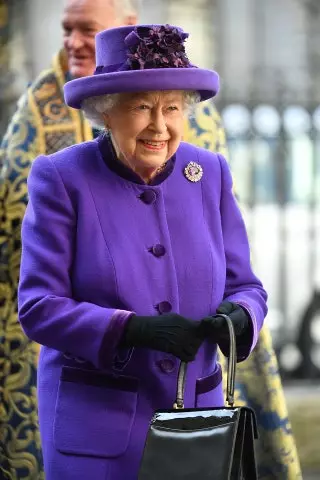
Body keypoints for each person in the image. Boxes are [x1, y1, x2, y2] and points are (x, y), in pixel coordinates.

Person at [0, 2, 302, 479]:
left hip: (194, 422)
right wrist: (130, 329)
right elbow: (39, 307)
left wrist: (243, 315)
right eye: (142, 107)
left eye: (173, 108)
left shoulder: (210, 173)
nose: (160, 126)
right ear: (106, 113)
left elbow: (246, 284)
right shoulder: (62, 178)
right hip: (98, 433)